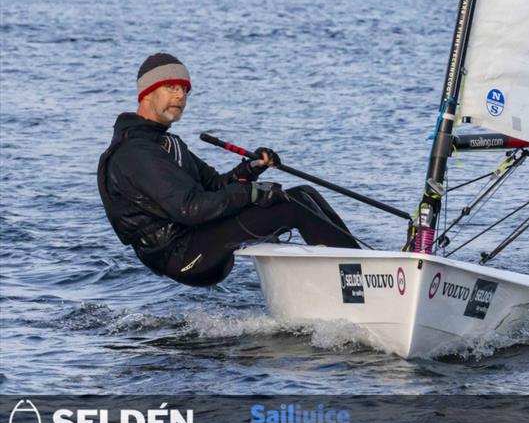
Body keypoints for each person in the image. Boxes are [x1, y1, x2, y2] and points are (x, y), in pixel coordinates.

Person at [97, 53, 359, 287]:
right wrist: (252, 193)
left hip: (200, 238)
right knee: (291, 207)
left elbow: (216, 186)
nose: (180, 96)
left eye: (185, 90)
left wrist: (252, 169)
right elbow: (192, 209)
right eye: (171, 87)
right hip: (181, 255)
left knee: (303, 194)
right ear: (146, 94)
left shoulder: (167, 143)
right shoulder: (135, 153)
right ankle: (355, 279)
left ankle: (360, 266)